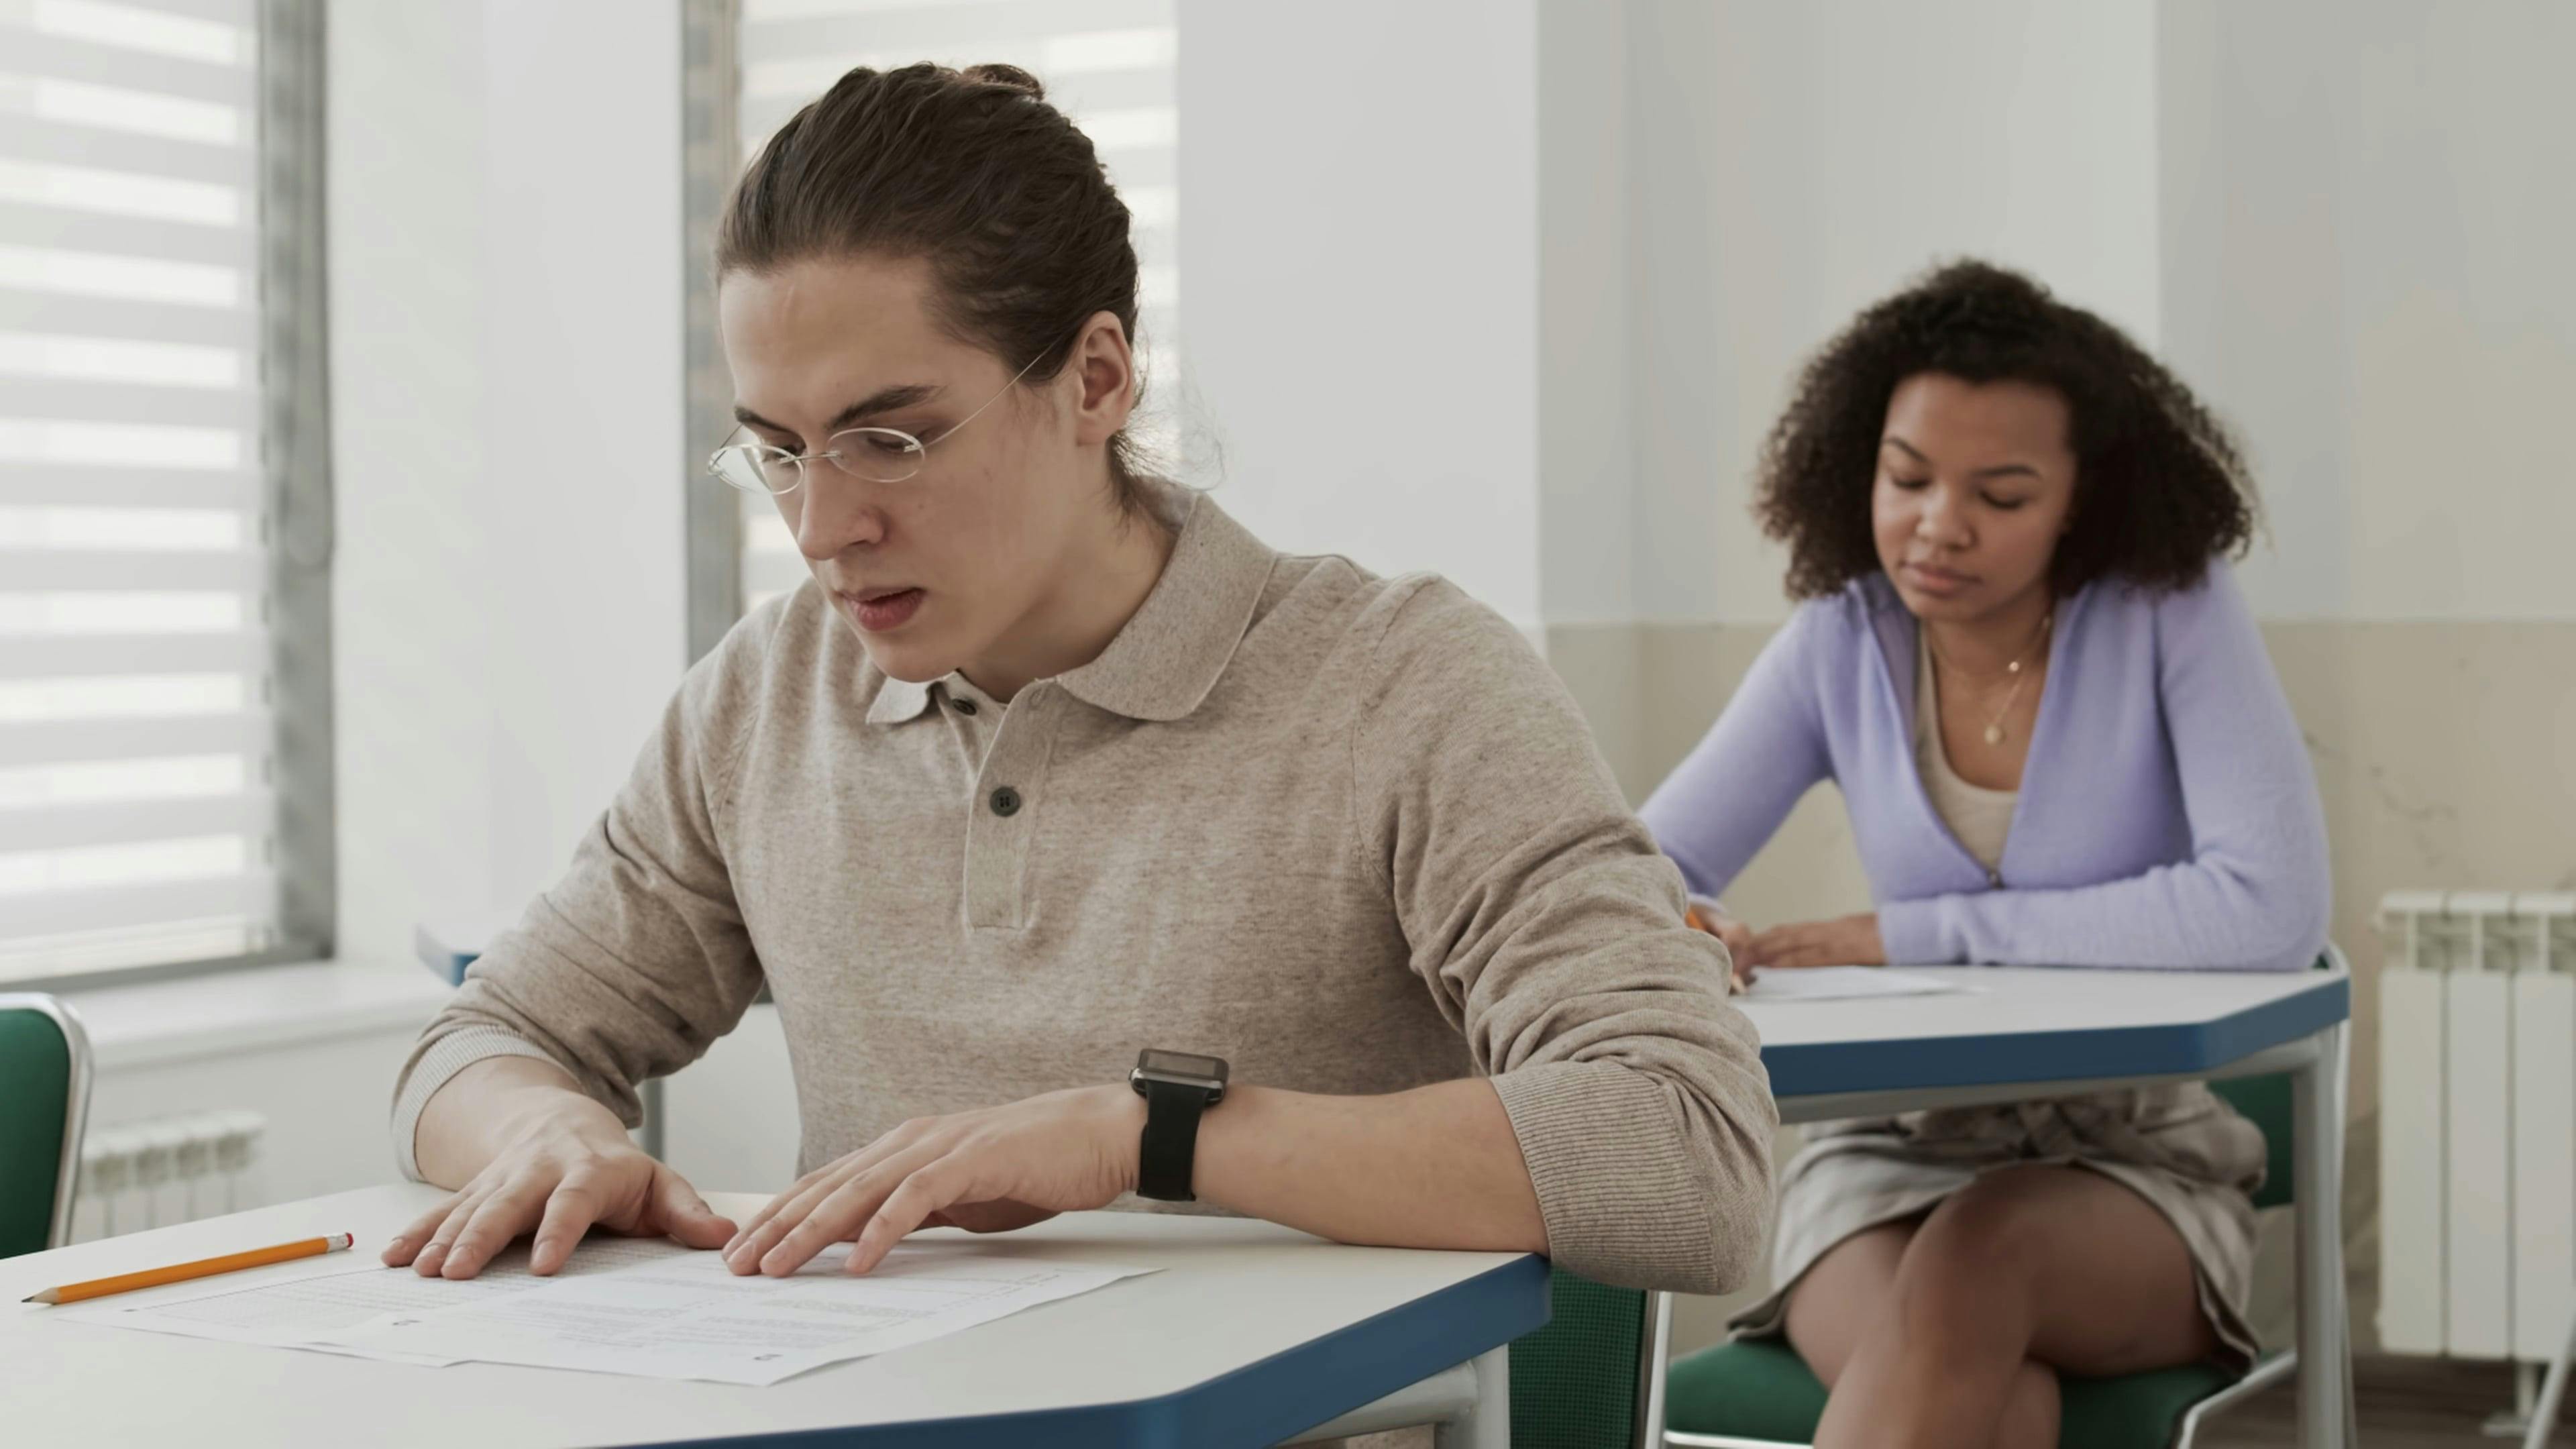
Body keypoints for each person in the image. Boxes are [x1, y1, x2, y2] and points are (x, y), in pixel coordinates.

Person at [382, 62, 1775, 1321]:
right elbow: (487, 1039)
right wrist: (540, 1134)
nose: (821, 529)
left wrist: (1151, 1136)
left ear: (1096, 378)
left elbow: (1693, 1152)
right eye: (781, 452)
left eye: (889, 438)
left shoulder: (1402, 684)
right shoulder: (765, 697)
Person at [1642, 260, 2330, 1448]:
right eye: (1906, 478)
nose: (1937, 526)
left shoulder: (2169, 610)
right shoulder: (1838, 640)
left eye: (2001, 495)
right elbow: (1640, 869)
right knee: (1993, 1410)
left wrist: (1902, 935)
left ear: (2081, 498)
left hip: (2138, 1166)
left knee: (1981, 1255)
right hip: (1885, 1160)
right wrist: (1692, 927)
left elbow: (2267, 905)